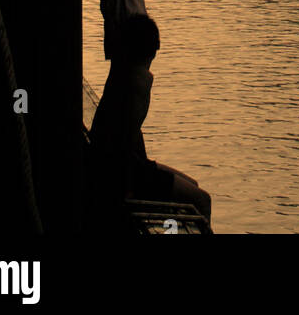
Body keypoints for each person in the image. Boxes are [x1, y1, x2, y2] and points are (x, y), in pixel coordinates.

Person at [88, 14, 212, 224]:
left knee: (194, 186)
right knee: (201, 200)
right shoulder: (136, 84)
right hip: (122, 173)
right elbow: (122, 144)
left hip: (124, 166)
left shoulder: (122, 73)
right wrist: (127, 192)